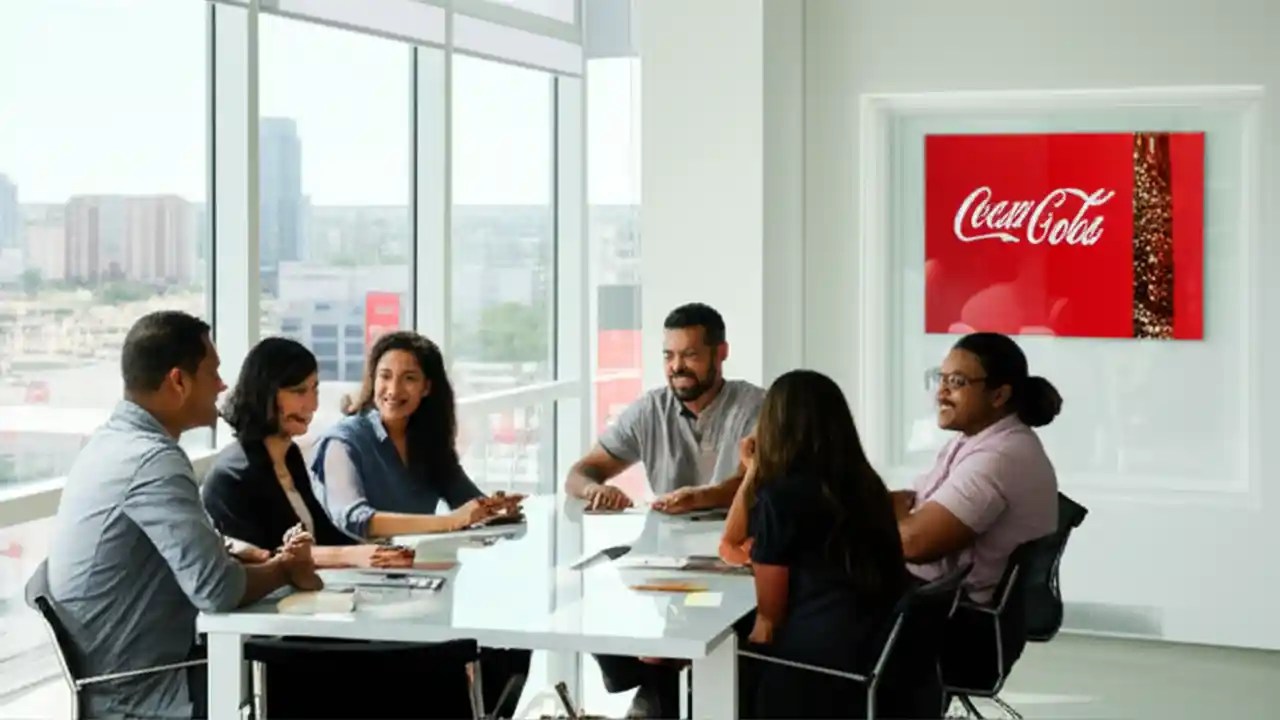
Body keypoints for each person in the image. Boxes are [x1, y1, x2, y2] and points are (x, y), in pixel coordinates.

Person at [44, 311, 321, 719]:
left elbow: (173, 546)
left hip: (117, 678)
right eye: (213, 372)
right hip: (148, 690)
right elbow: (217, 589)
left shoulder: (112, 443)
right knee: (320, 678)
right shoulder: (153, 461)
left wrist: (234, 550)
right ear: (178, 381)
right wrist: (285, 568)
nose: (222, 385)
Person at [309, 330, 528, 717]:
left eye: (409, 378)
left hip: (419, 590)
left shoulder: (425, 439)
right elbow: (356, 519)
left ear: (427, 387)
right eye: (385, 376)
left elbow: (465, 499)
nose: (394, 389)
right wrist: (449, 522)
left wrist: (494, 508)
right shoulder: (344, 440)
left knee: (514, 642)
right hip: (359, 602)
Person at [564, 303, 764, 718]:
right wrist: (597, 489)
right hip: (670, 563)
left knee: (691, 637)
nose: (677, 367)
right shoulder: (650, 410)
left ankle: (662, 690)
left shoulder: (756, 407)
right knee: (594, 587)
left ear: (721, 353)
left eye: (690, 355)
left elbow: (757, 480)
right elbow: (580, 473)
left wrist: (698, 497)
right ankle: (659, 683)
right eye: (669, 356)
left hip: (737, 557)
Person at [719, 370, 914, 718]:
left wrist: (754, 472)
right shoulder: (869, 487)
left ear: (773, 427)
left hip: (813, 671)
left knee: (700, 663)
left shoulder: (780, 498)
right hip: (874, 659)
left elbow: (768, 621)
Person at [894, 332, 1060, 682]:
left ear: (999, 395)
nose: (940, 393)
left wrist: (862, 520)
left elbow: (915, 544)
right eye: (940, 379)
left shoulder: (999, 457)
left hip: (960, 626)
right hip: (942, 606)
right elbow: (914, 501)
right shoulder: (976, 439)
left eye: (956, 382)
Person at [202, 337, 414, 568]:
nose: (312, 405)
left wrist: (381, 550)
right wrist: (351, 555)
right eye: (299, 391)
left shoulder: (289, 454)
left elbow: (324, 535)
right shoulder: (232, 477)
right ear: (264, 394)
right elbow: (267, 557)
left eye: (314, 389)